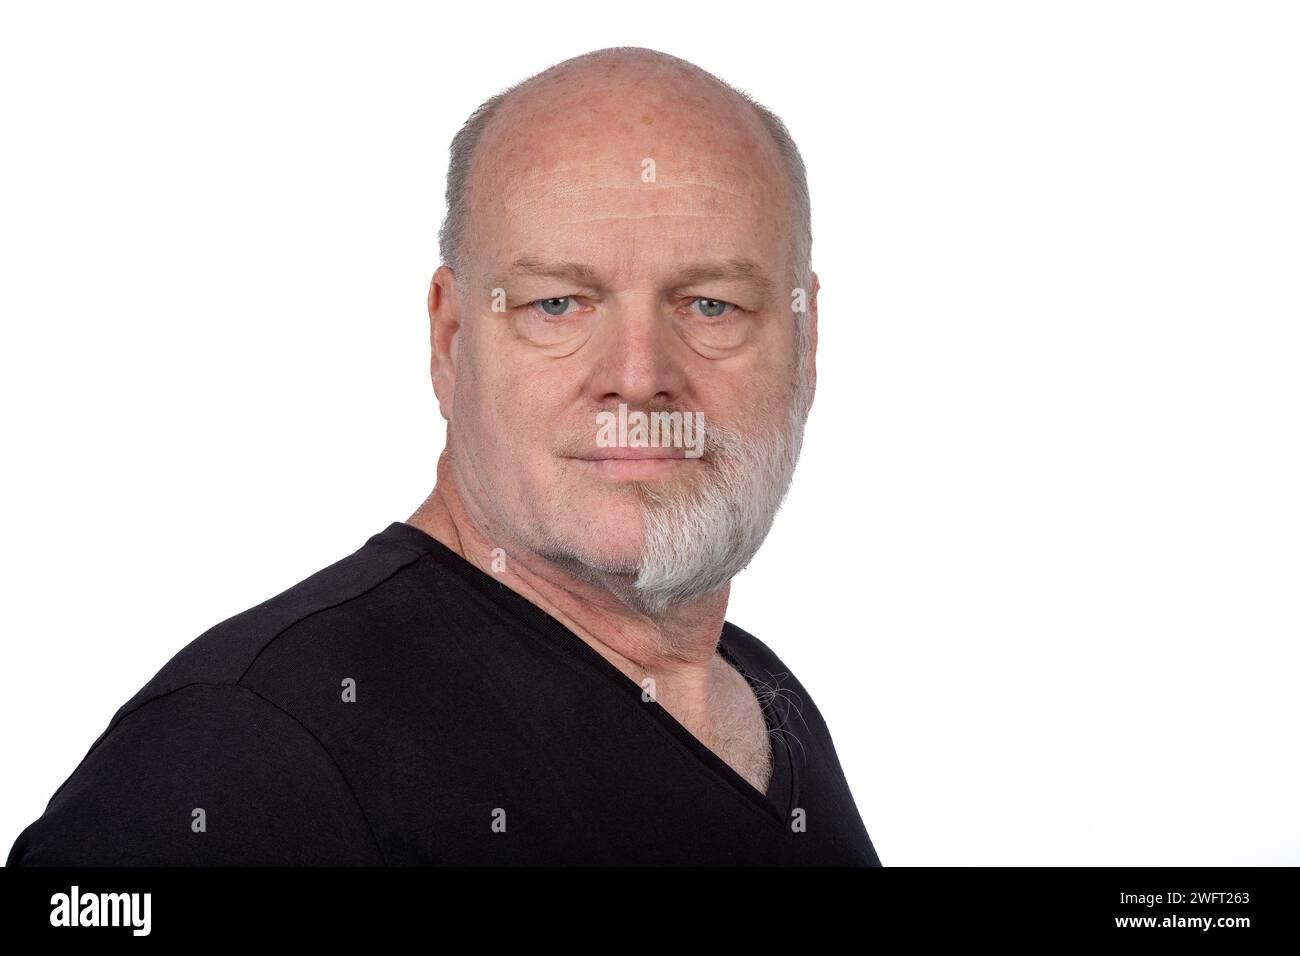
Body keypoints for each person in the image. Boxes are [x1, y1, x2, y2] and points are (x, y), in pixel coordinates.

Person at [8, 46, 882, 866]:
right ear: (451, 335)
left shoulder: (761, 698)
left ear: (806, 345)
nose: (638, 377)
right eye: (557, 305)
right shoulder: (249, 752)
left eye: (711, 305)